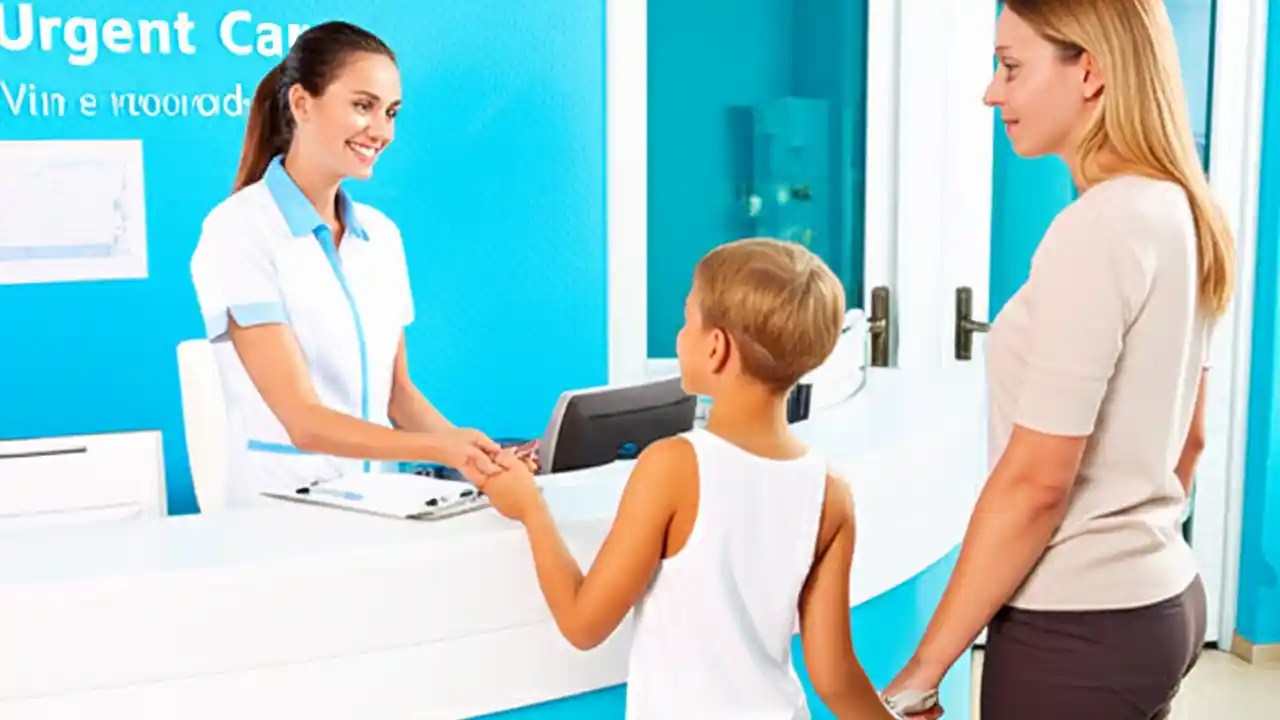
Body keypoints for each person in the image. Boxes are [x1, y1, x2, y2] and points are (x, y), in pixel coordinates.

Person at [884, 2, 1234, 718]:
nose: (991, 92)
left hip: (1077, 630)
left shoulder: (1098, 229)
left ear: (1091, 73)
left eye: (1010, 67)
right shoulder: (1180, 210)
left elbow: (1038, 484)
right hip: (1158, 600)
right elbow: (1189, 439)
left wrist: (921, 672)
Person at [475, 238, 899, 719]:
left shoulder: (674, 467)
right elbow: (836, 676)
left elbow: (583, 624)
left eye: (687, 320)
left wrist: (530, 507)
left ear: (716, 348)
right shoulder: (831, 493)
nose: (680, 336)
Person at [190, 21, 500, 506]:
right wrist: (442, 449)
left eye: (391, 112)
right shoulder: (237, 231)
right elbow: (303, 420)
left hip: (382, 504)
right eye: (363, 105)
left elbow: (397, 394)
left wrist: (484, 462)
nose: (381, 130)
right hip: (279, 512)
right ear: (300, 103)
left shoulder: (382, 236)